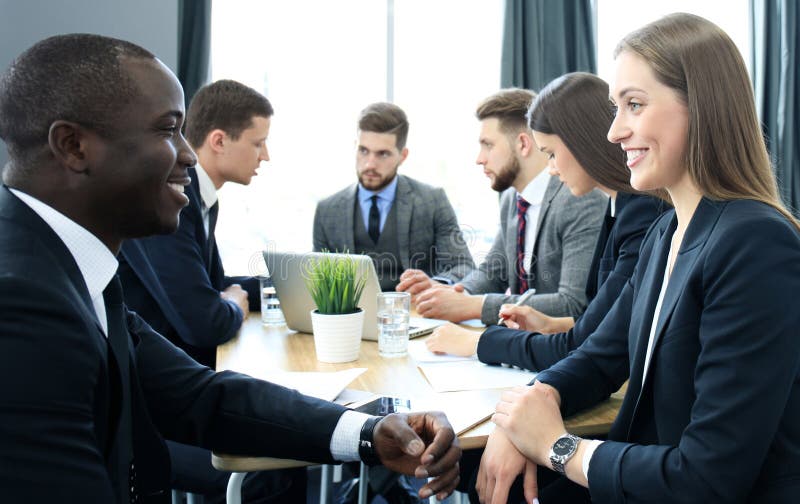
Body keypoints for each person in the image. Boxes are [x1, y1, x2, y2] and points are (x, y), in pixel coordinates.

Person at [0, 34, 461, 503]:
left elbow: (202, 396)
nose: (188, 154)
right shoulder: (21, 303)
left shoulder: (75, 272)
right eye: (167, 130)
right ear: (74, 146)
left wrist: (370, 432)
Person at [477, 13, 800, 503]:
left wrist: (556, 446)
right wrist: (524, 409)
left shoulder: (756, 242)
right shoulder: (665, 233)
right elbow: (598, 357)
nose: (613, 132)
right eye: (616, 108)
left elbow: (708, 477)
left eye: (634, 105)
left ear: (701, 107)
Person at [118, 79, 302, 503]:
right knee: (272, 469)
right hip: (150, 406)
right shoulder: (171, 200)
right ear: (219, 141)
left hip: (178, 382)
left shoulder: (204, 199)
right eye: (258, 143)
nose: (266, 155)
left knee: (287, 433)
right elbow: (206, 321)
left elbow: (216, 286)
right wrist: (233, 303)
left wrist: (290, 285)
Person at [425, 72, 667, 365]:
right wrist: (455, 294)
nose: (479, 158)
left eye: (551, 154)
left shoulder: (609, 205)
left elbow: (582, 326)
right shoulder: (614, 207)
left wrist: (476, 333)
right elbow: (594, 323)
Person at [402, 89, 606, 325]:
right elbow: (493, 272)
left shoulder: (578, 199)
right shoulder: (512, 199)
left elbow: (573, 304)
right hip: (517, 339)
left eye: (488, 145)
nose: (480, 158)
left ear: (523, 144)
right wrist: (454, 293)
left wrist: (475, 306)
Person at [313, 102, 475, 292]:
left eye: (382, 154)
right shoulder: (327, 210)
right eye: (363, 150)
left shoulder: (433, 201)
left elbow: (464, 267)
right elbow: (319, 280)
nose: (369, 164)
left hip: (416, 308)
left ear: (402, 156)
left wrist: (436, 284)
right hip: (352, 310)